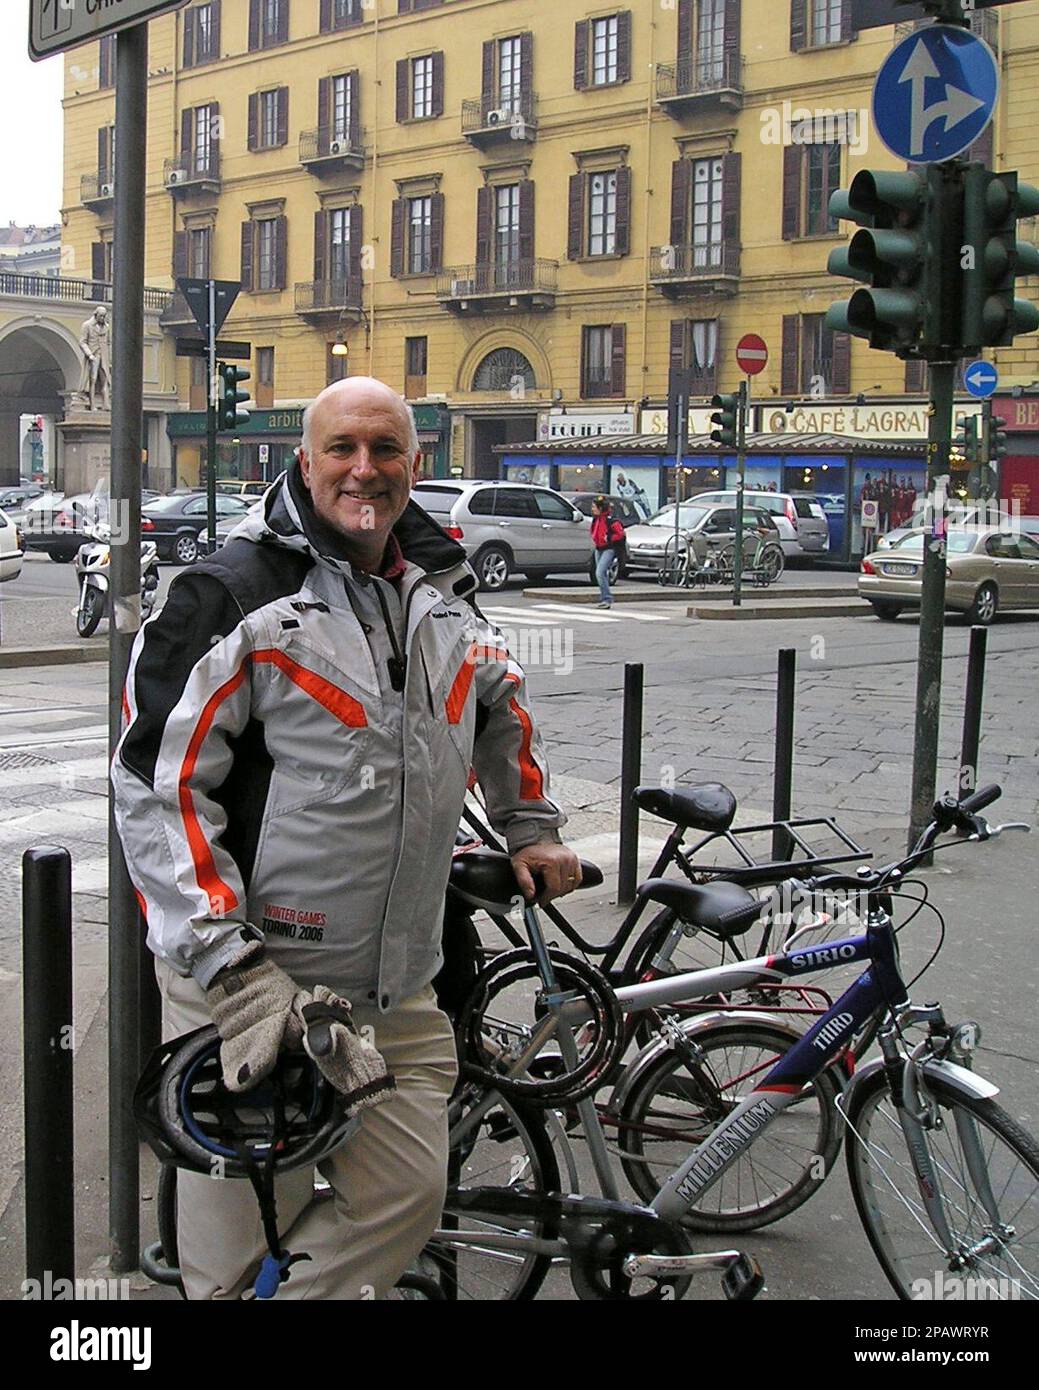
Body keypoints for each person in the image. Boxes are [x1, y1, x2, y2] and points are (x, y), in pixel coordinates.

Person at [111, 376, 582, 1300]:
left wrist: (527, 827)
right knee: (244, 1223)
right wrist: (229, 962)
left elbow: (499, 704)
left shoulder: (440, 588)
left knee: (407, 1188)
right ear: (306, 461)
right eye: (343, 449)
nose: (364, 470)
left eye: (386, 450)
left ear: (415, 463)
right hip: (260, 979)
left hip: (399, 977)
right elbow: (156, 783)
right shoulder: (231, 592)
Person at [590, 495, 625, 609]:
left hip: (609, 548)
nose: (592, 509)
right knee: (601, 574)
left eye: (594, 507)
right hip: (599, 547)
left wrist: (609, 538)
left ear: (600, 508)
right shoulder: (597, 518)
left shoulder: (611, 520)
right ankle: (605, 598)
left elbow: (620, 534)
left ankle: (606, 599)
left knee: (600, 573)